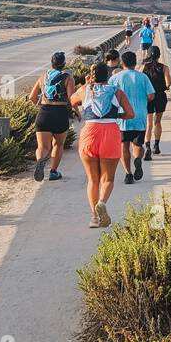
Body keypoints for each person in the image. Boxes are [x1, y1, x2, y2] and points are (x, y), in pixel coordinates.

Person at [71, 62, 134, 227]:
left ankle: (94, 218)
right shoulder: (117, 92)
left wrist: (85, 86)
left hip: (89, 132)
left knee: (92, 179)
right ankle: (102, 203)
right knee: (108, 178)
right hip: (110, 132)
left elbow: (71, 101)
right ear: (109, 76)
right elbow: (130, 114)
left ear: (91, 76)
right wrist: (116, 115)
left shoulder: (85, 90)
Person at [28, 50, 75, 182]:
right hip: (60, 113)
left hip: (44, 113)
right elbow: (72, 99)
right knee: (58, 145)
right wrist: (76, 111)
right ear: (64, 64)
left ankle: (40, 162)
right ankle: (53, 172)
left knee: (42, 147)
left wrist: (42, 106)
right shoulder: (67, 78)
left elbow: (32, 97)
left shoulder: (43, 77)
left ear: (51, 63)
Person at [112, 50, 154, 183]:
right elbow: (151, 96)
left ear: (122, 63)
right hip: (140, 116)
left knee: (123, 146)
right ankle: (137, 159)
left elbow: (109, 96)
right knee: (137, 145)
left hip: (122, 118)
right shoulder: (143, 77)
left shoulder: (115, 78)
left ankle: (128, 174)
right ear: (135, 63)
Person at [141, 45, 171, 158]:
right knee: (157, 122)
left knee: (148, 124)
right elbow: (168, 83)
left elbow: (140, 81)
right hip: (160, 97)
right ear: (159, 55)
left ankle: (147, 147)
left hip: (148, 97)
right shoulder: (164, 68)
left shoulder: (144, 67)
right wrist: (164, 86)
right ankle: (156, 146)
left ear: (148, 55)